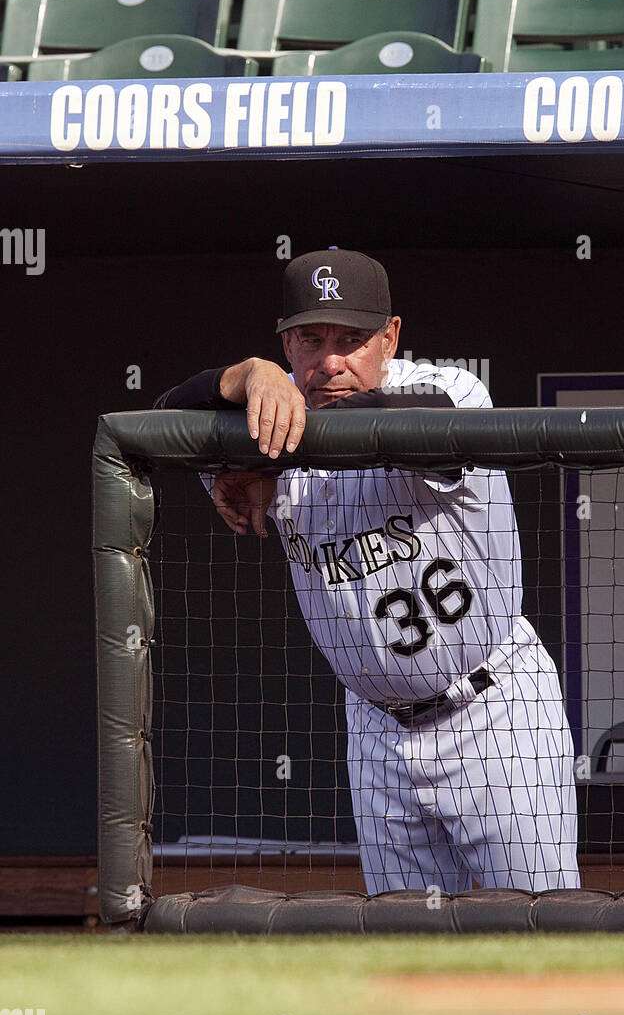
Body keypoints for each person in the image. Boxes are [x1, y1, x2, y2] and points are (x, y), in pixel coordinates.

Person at [153, 248, 580, 893]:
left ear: (391, 336)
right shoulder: (267, 411)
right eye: (310, 340)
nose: (331, 362)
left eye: (353, 340)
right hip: (376, 727)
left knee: (540, 938)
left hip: (495, 715)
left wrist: (282, 433)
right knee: (405, 954)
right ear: (285, 342)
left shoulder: (453, 390)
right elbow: (154, 421)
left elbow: (424, 423)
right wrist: (246, 378)